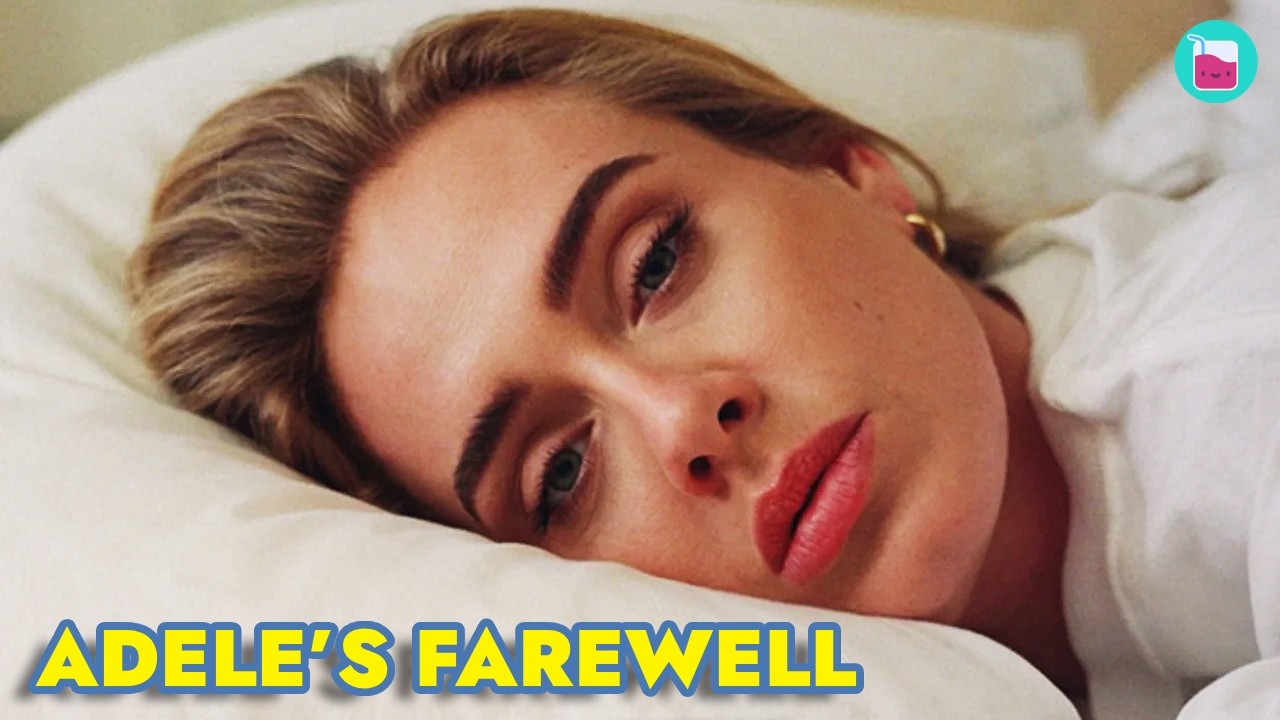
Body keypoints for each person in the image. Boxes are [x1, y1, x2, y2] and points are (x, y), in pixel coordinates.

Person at [126, 8, 1279, 718]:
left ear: (857, 175)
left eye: (656, 263)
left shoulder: (1228, 351)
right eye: (560, 472)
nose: (680, 419)